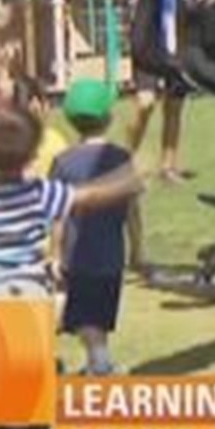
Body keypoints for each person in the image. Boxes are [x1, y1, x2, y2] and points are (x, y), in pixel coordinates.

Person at [0, 106, 143, 300]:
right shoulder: (37, 193)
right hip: (31, 293)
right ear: (30, 158)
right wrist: (125, 181)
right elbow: (87, 196)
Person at [51, 79, 144, 376]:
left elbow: (58, 215)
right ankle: (98, 362)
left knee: (85, 315)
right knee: (98, 313)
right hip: (111, 253)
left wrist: (54, 252)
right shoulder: (122, 159)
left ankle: (98, 361)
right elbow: (132, 210)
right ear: (108, 117)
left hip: (77, 253)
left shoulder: (63, 162)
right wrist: (138, 248)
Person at [127, 0, 192, 184]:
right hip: (148, 46)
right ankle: (124, 160)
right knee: (145, 102)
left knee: (174, 107)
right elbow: (136, 4)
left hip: (175, 47)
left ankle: (168, 166)